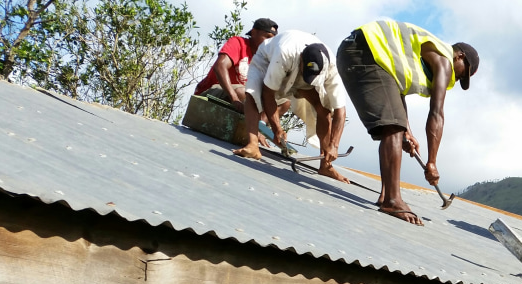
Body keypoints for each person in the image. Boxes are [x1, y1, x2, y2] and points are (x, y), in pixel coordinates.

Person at [336, 20, 478, 225]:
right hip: (365, 51)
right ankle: (393, 201)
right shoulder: (444, 59)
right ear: (459, 56)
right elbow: (436, 113)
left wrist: (407, 131)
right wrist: (432, 162)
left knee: (395, 127)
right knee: (393, 129)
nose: (456, 80)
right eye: (461, 73)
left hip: (357, 51)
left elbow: (395, 90)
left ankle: (386, 195)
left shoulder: (415, 56)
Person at [232, 30, 349, 183]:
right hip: (268, 61)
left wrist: (334, 145)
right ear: (301, 58)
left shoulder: (331, 68)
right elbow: (268, 94)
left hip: (297, 68)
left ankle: (325, 165)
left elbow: (341, 111)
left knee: (324, 109)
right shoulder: (284, 53)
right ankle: (252, 145)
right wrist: (277, 128)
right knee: (253, 94)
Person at [192, 18, 279, 110]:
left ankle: (258, 123)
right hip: (210, 94)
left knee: (283, 102)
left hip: (243, 98)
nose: (270, 42)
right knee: (244, 93)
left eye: (273, 40)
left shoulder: (265, 59)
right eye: (267, 37)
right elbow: (220, 66)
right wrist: (234, 98)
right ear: (254, 32)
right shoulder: (238, 43)